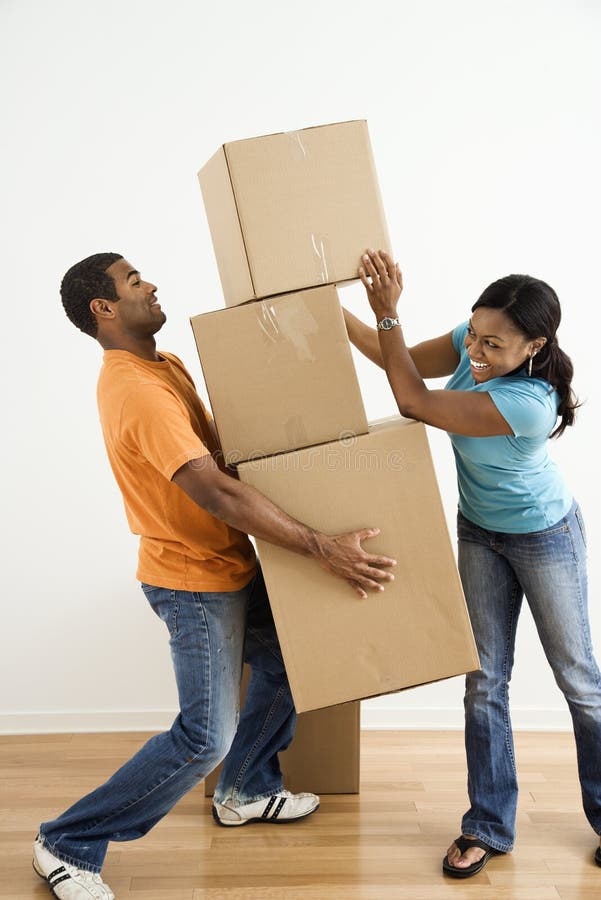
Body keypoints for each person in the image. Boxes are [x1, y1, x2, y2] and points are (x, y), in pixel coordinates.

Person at [32, 252, 397, 900]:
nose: (152, 286)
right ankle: (66, 841)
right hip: (191, 583)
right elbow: (215, 491)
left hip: (226, 562)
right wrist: (319, 546)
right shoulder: (136, 390)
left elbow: (217, 454)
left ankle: (245, 788)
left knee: (292, 660)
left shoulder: (162, 365)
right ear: (104, 308)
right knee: (204, 737)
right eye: (135, 281)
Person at [344, 248, 601, 879]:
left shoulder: (530, 403)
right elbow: (395, 359)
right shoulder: (473, 339)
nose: (476, 353)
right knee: (484, 680)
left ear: (534, 345)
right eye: (475, 335)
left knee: (579, 680)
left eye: (495, 345)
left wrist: (387, 312)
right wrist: (333, 309)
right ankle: (488, 825)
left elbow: (412, 401)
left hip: (544, 537)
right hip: (480, 532)